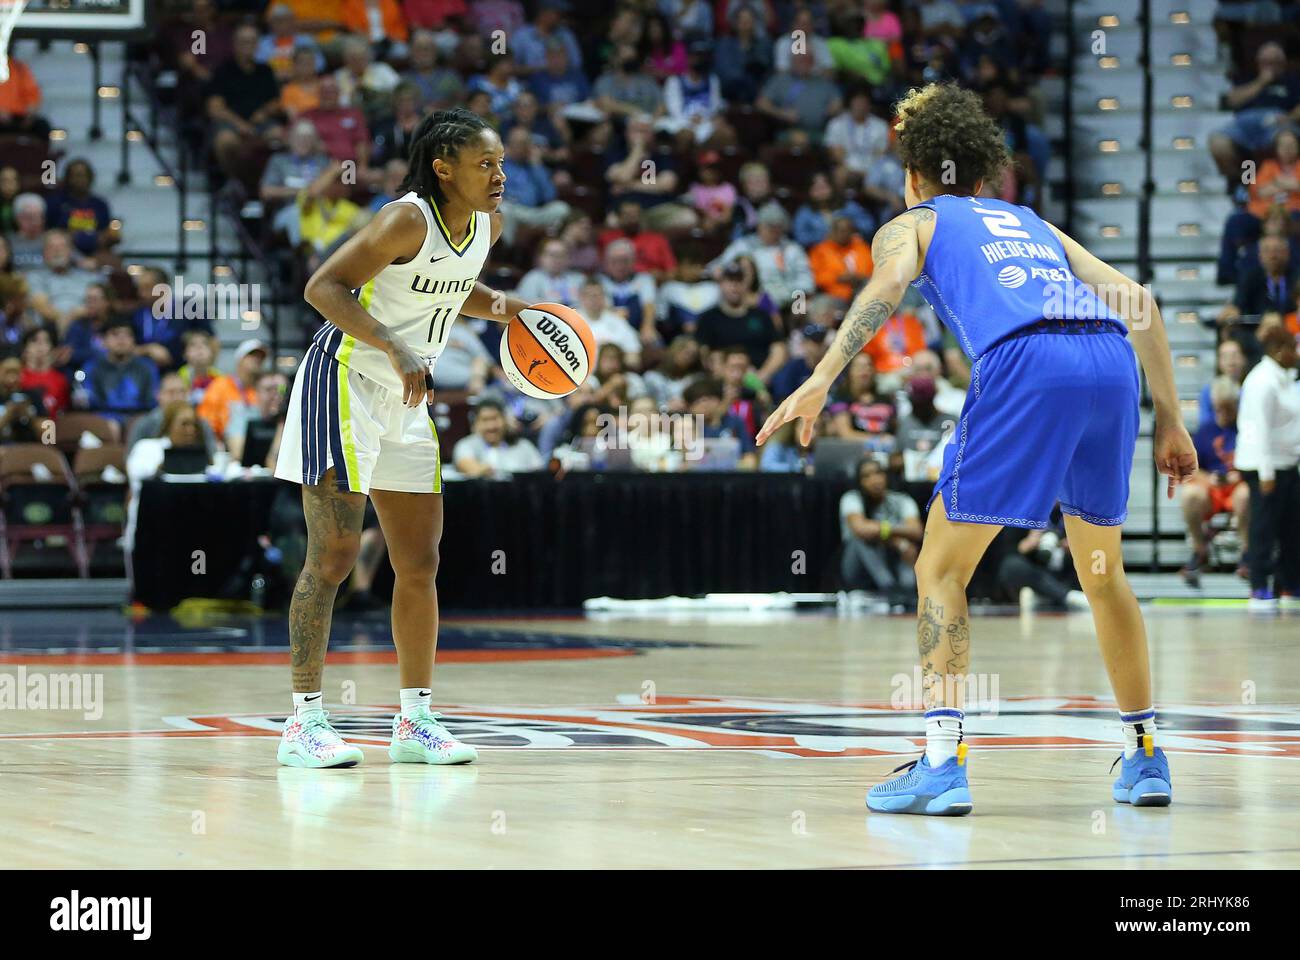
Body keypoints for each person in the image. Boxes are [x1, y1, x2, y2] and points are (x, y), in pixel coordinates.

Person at [758, 83, 1197, 816]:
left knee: (939, 567)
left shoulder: (914, 222)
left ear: (913, 173)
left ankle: (941, 762)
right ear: (986, 173)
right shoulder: (1032, 223)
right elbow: (1142, 305)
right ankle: (1145, 754)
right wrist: (1172, 422)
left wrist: (820, 378)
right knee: (1103, 572)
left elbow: (885, 290)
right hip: (1111, 365)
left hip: (1028, 365)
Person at [272, 107, 531, 768]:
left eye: (501, 163)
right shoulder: (405, 219)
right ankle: (303, 723)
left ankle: (414, 720)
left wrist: (511, 308)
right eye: (486, 164)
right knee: (331, 557)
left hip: (408, 396)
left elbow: (446, 289)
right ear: (443, 167)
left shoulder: (488, 224)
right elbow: (322, 286)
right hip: (345, 381)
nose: (499, 175)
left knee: (419, 561)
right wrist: (390, 344)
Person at [1233, 323, 1300, 608]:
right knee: (1264, 528)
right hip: (1265, 467)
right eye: (1292, 348)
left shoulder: (1285, 378)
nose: (1296, 353)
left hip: (1288, 465)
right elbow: (1256, 429)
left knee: (1291, 528)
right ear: (1277, 350)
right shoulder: (1261, 380)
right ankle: (1259, 585)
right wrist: (1266, 472)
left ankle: (1288, 584)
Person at [1180, 375, 1247, 588]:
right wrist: (1209, 479)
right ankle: (1200, 551)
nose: (1224, 414)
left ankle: (1248, 553)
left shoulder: (1246, 428)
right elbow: (1191, 469)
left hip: (1238, 485)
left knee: (1246, 495)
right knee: (1190, 495)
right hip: (1212, 488)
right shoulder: (1205, 431)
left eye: (1229, 408)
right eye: (1220, 409)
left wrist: (1239, 475)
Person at [839, 457, 923, 603]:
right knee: (861, 539)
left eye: (878, 473)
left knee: (908, 545)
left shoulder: (902, 500)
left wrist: (883, 532)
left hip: (893, 559)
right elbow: (861, 529)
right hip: (858, 567)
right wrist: (896, 539)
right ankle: (888, 586)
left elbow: (916, 530)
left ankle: (906, 589)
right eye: (867, 476)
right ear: (859, 482)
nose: (874, 479)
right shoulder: (851, 499)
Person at [452, 398, 544, 478]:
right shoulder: (466, 445)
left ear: (505, 420)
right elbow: (467, 466)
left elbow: (539, 474)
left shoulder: (524, 446)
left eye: (495, 418)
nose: (491, 426)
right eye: (485, 420)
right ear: (475, 424)